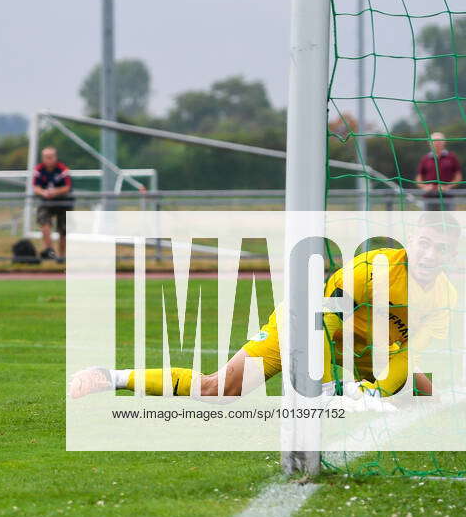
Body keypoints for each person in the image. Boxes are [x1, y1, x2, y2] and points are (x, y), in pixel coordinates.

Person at [70, 215, 459, 402]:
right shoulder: (371, 268)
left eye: (440, 248)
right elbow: (318, 317)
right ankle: (110, 376)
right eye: (423, 243)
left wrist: (372, 393)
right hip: (305, 327)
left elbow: (406, 355)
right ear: (411, 238)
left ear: (452, 253)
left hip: (367, 348)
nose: (428, 254)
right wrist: (324, 386)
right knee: (219, 391)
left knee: (426, 397)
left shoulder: (446, 298)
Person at [32, 146, 73, 262]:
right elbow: (35, 187)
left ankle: (62, 257)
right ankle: (50, 251)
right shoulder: (39, 169)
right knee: (43, 222)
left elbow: (67, 187)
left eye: (51, 157)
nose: (48, 160)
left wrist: (55, 192)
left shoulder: (62, 169)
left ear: (55, 157)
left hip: (63, 202)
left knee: (63, 230)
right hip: (47, 202)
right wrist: (44, 193)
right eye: (46, 157)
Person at [415, 132, 462, 210]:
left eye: (439, 141)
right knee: (429, 220)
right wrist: (425, 187)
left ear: (444, 142)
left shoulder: (451, 157)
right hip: (429, 196)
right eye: (434, 141)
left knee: (448, 220)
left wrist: (447, 187)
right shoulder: (425, 159)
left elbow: (458, 177)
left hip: (447, 196)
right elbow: (418, 178)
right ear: (429, 143)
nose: (437, 143)